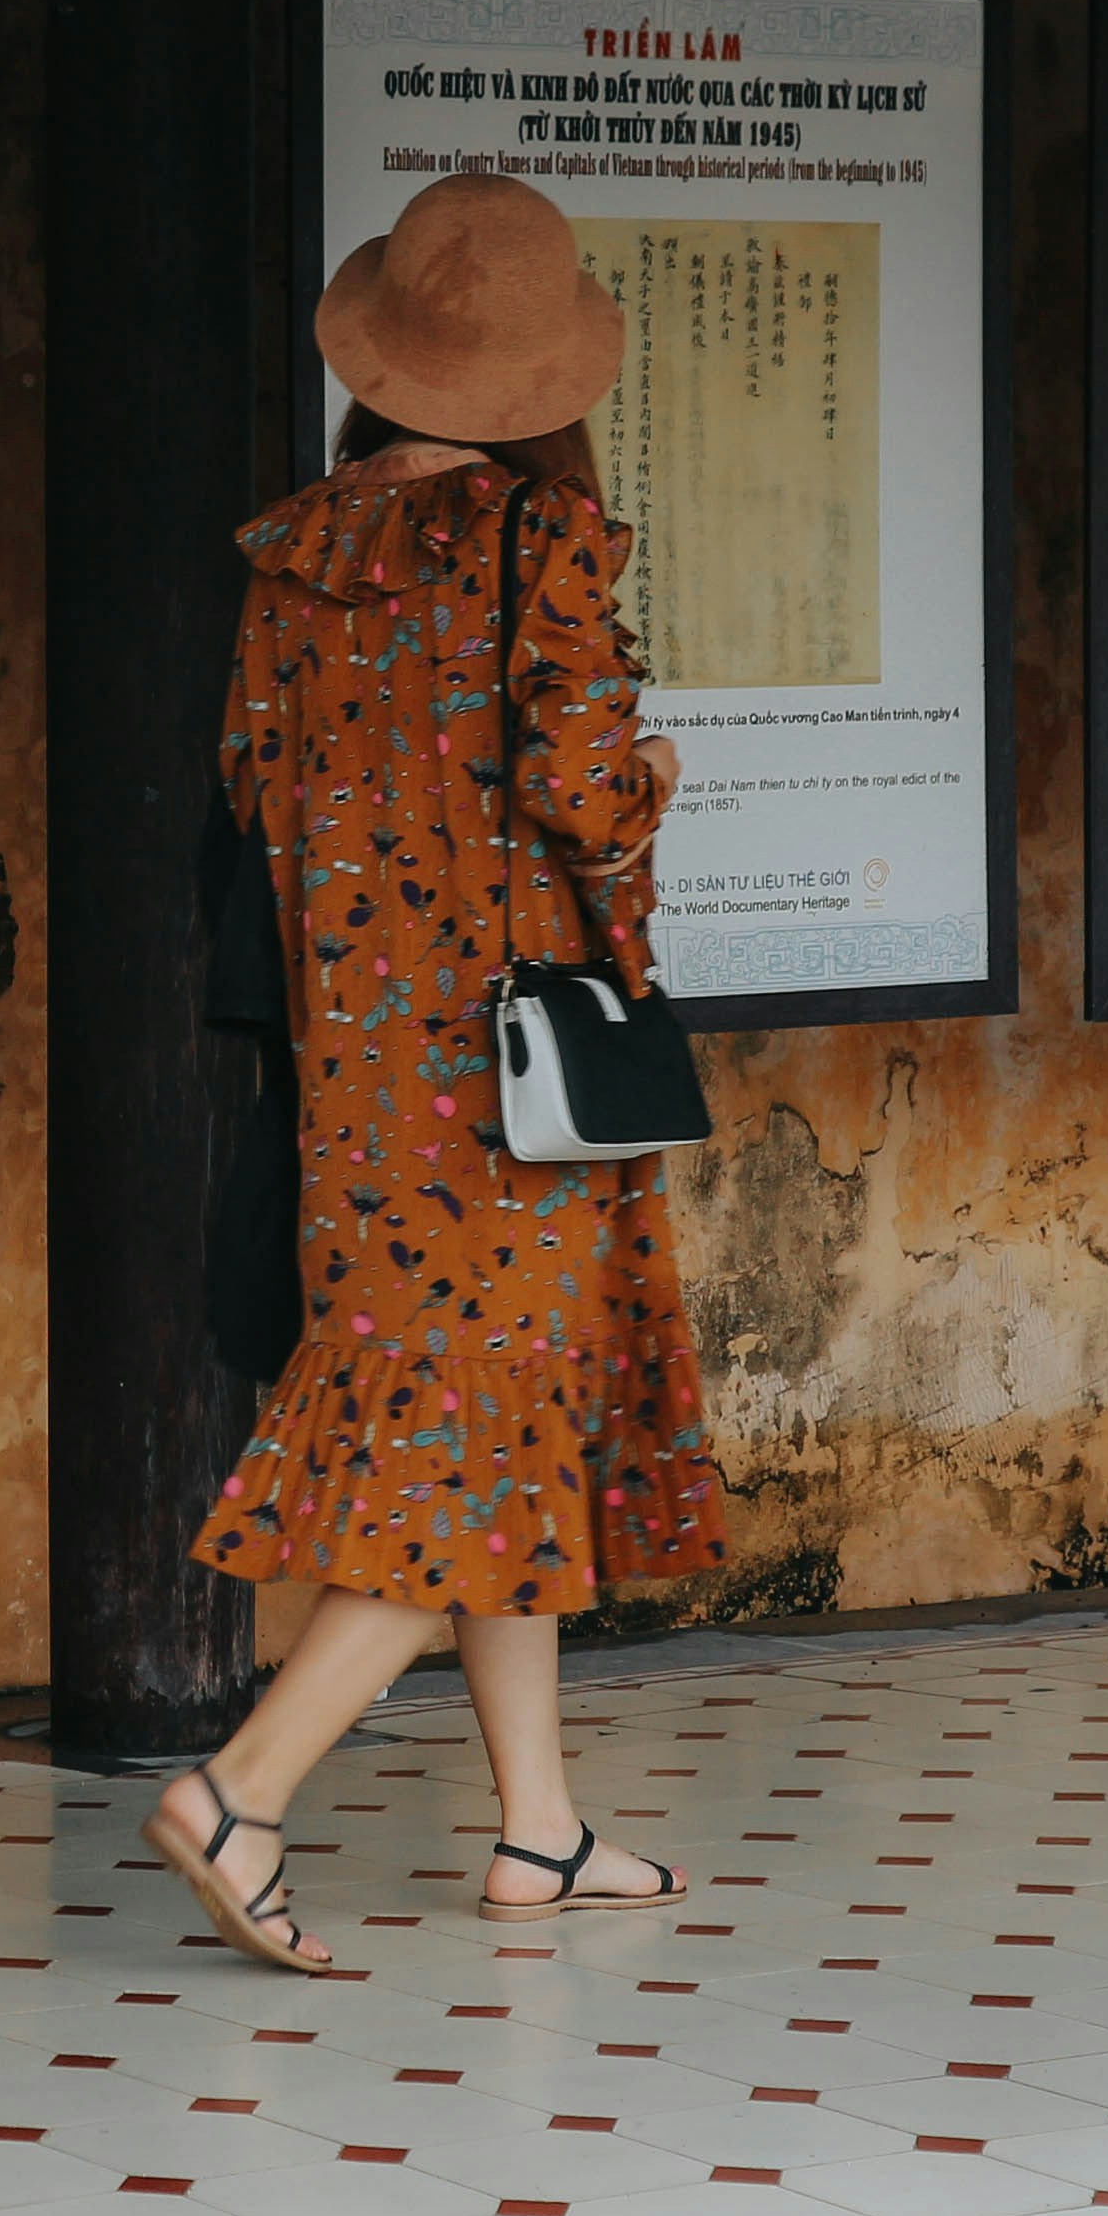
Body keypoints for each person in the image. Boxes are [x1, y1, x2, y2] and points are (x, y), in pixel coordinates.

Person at [146, 169, 730, 1974]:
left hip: (360, 1077)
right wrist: (648, 821)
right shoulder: (534, 544)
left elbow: (253, 806)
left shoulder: (289, 563)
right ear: (547, 382)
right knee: (461, 1441)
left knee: (483, 1417)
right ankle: (241, 1792)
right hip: (508, 1073)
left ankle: (539, 1831)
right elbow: (587, 787)